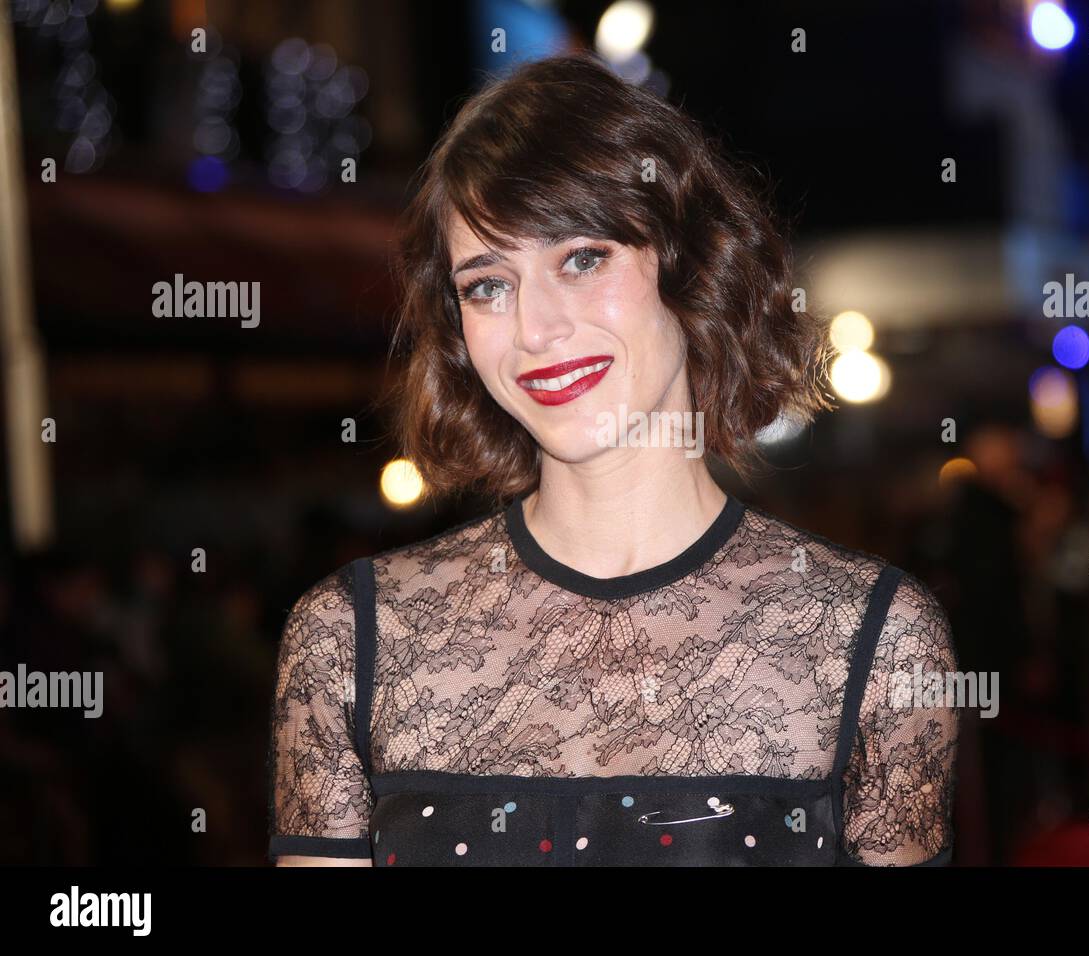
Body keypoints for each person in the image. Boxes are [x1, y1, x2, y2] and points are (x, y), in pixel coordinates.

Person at [266, 51, 959, 867]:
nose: (535, 329)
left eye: (582, 259)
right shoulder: (349, 642)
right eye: (489, 284)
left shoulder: (875, 642)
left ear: (691, 265)